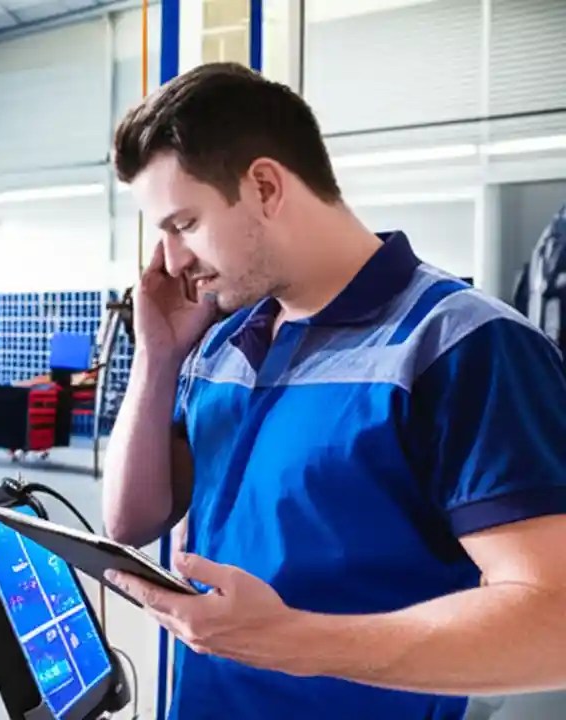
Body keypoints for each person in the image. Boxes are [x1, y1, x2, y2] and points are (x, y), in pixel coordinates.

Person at [101, 61, 566, 720]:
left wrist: (293, 643)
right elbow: (131, 521)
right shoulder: (220, 342)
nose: (172, 261)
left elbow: (552, 622)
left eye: (184, 224)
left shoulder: (461, 344)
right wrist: (156, 357)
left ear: (265, 187)